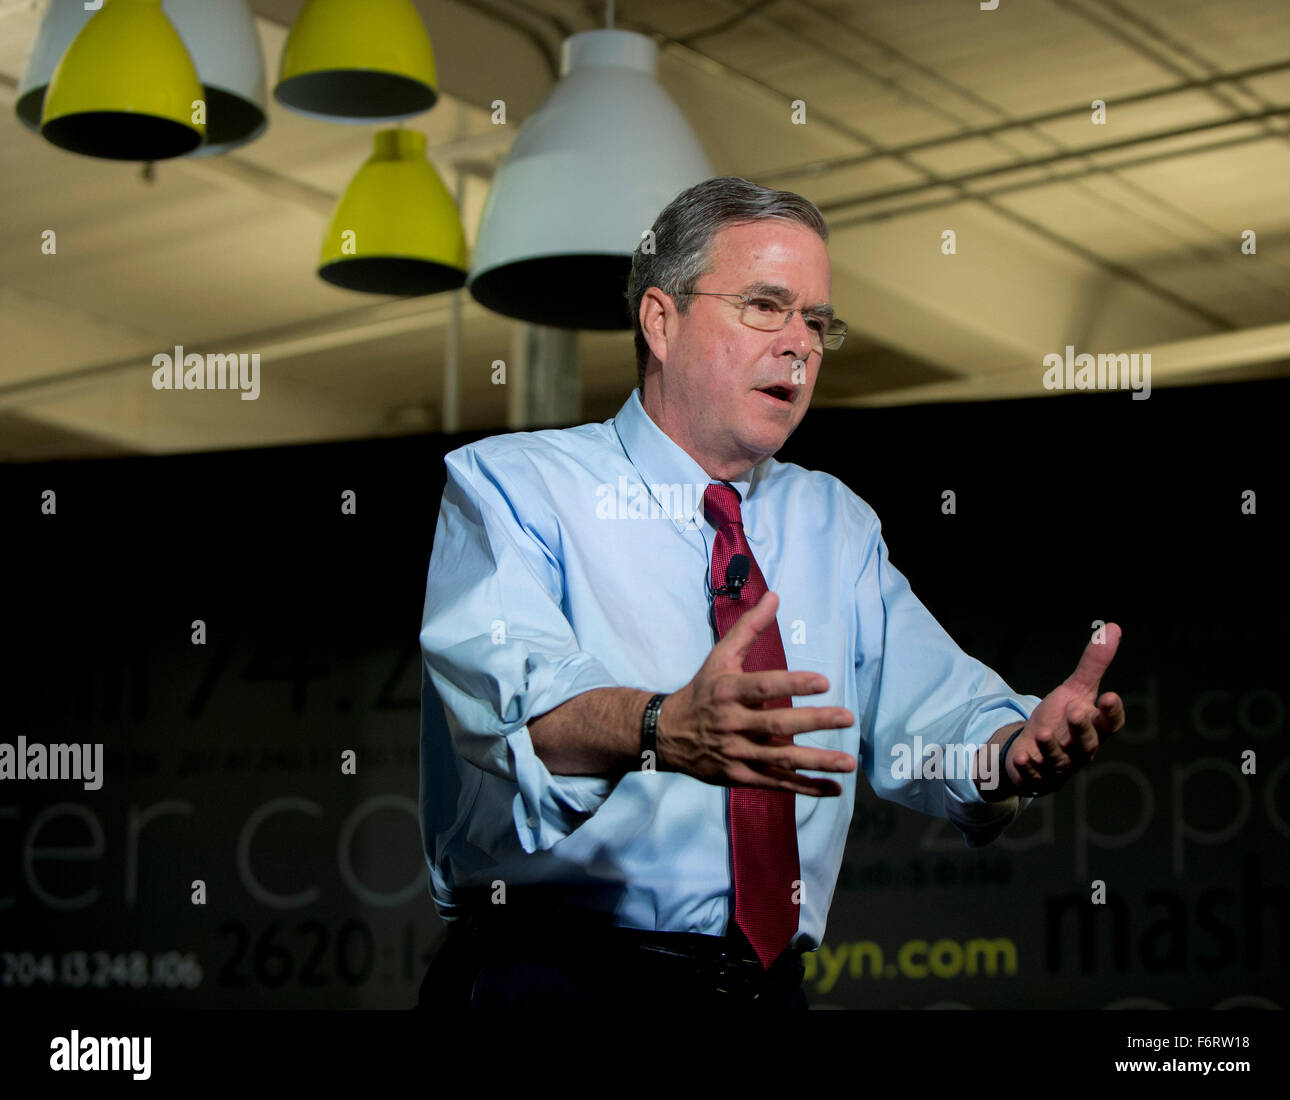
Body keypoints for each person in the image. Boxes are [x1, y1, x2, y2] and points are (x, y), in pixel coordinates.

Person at [416, 175, 1126, 1011]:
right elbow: (516, 715)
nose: (800, 346)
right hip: (553, 981)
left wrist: (1012, 749)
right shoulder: (515, 487)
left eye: (817, 323)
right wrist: (660, 727)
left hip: (765, 993)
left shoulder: (833, 522)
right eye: (765, 306)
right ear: (661, 320)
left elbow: (931, 719)